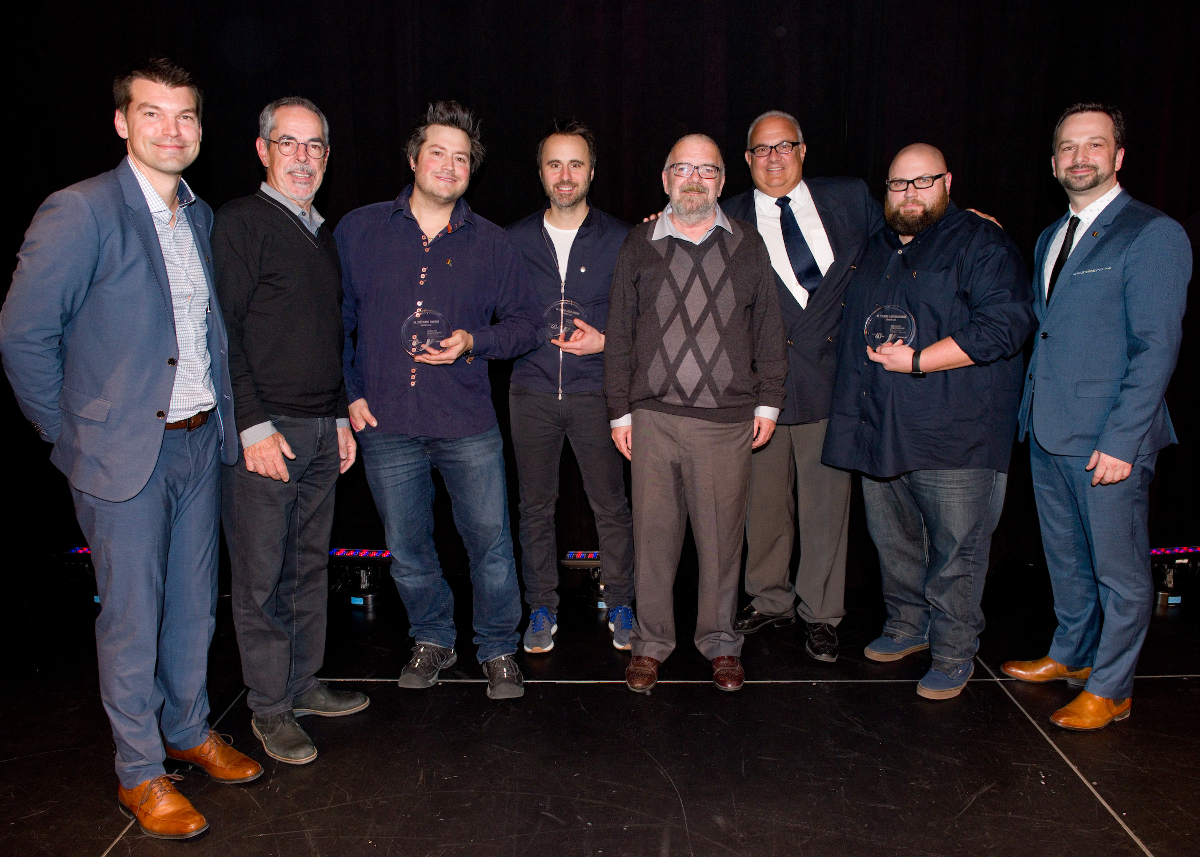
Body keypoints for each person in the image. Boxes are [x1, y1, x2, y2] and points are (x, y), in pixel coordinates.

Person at [0, 59, 261, 840]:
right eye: (154, 114)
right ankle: (140, 772)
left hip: (196, 443)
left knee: (190, 610)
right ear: (122, 122)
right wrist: (74, 434)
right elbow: (22, 336)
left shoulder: (201, 215)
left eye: (186, 117)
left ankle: (187, 726)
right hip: (122, 459)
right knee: (132, 618)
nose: (172, 130)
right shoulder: (79, 211)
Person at [336, 101, 542, 700]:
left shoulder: (494, 245)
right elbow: (336, 322)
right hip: (386, 421)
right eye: (437, 153)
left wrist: (473, 342)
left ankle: (498, 647)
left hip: (466, 421)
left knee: (491, 544)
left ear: (470, 171)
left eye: (461, 158)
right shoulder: (358, 230)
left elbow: (527, 325)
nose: (449, 166)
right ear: (413, 159)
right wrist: (349, 394)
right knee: (408, 548)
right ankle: (432, 637)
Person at [823, 144, 1036, 700]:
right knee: (893, 543)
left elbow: (1006, 325)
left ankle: (953, 651)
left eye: (923, 182)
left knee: (955, 552)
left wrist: (919, 359)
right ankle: (906, 626)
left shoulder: (981, 242)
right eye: (898, 184)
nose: (910, 194)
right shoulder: (875, 247)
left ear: (947, 181)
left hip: (956, 432)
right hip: (882, 428)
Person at [1003, 104, 1191, 730]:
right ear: (1054, 160)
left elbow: (1156, 349)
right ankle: (1072, 654)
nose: (1079, 157)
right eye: (1067, 147)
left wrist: (1122, 439)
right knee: (1066, 559)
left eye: (1094, 145)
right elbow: (1051, 329)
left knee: (1119, 571)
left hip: (1109, 439)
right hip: (1049, 432)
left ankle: (1112, 689)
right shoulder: (1050, 236)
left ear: (1118, 157)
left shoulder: (1152, 233)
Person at [212, 96, 369, 766]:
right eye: (288, 143)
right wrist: (250, 424)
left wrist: (337, 416)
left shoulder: (320, 234)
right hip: (265, 435)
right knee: (259, 579)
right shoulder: (242, 222)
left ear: (327, 157)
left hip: (316, 430)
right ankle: (270, 708)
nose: (302, 157)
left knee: (308, 568)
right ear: (262, 150)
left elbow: (328, 338)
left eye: (314, 146)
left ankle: (302, 684)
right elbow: (223, 335)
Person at [606, 134, 787, 694]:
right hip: (653, 422)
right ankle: (652, 643)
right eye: (681, 168)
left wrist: (769, 399)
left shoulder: (748, 245)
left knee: (720, 543)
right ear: (665, 179)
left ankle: (719, 642)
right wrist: (619, 412)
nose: (693, 179)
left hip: (725, 424)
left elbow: (769, 330)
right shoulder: (639, 243)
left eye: (706, 170)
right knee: (654, 541)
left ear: (722, 181)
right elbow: (620, 334)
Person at [722, 110, 883, 662]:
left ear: (803, 151)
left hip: (834, 383)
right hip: (760, 388)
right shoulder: (727, 216)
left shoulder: (852, 198)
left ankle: (821, 613)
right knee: (762, 507)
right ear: (746, 161)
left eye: (783, 146)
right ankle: (769, 600)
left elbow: (911, 230)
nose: (773, 158)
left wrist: (961, 219)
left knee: (826, 507)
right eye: (761, 150)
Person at [505, 122, 636, 653]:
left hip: (596, 393)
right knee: (535, 507)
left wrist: (607, 344)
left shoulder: (624, 238)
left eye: (575, 164)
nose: (565, 175)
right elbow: (501, 316)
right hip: (530, 392)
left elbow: (645, 318)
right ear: (540, 172)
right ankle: (541, 606)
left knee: (611, 505)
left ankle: (622, 601)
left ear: (592, 172)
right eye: (554, 164)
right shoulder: (511, 240)